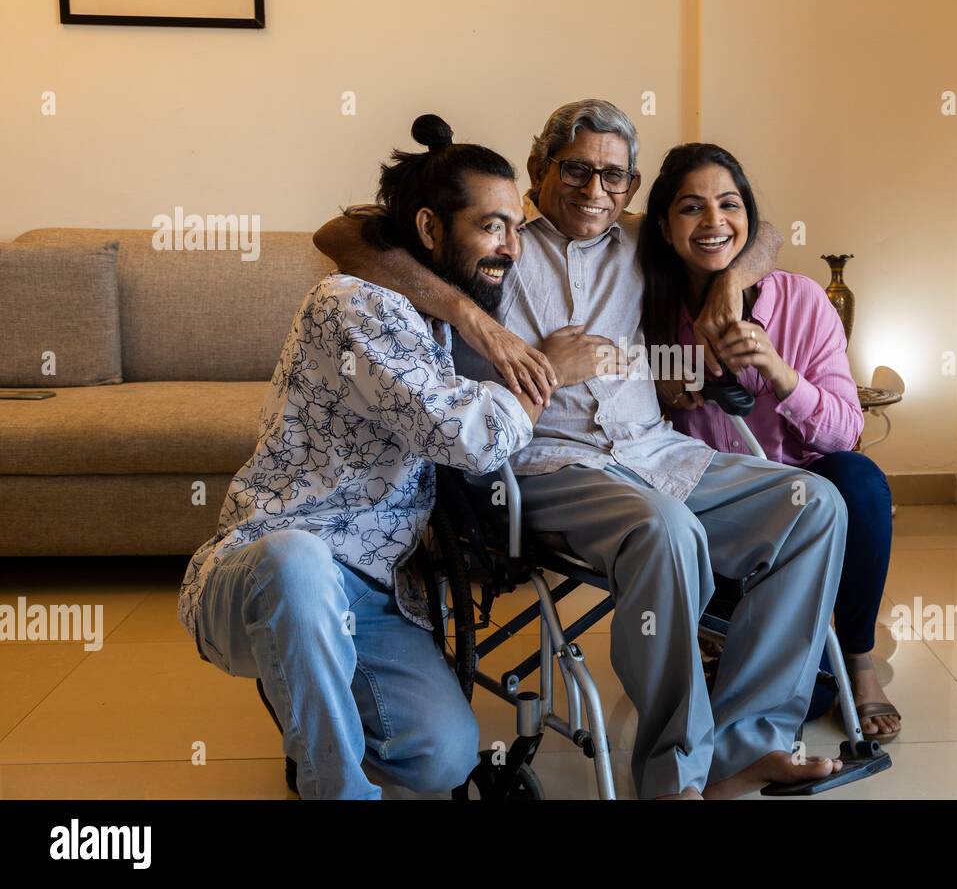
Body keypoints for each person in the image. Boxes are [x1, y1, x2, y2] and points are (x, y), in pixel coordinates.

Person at [314, 100, 853, 799]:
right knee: (665, 529)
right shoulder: (491, 240)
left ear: (631, 189)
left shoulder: (638, 241)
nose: (596, 192)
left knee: (815, 507)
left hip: (654, 452)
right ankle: (675, 776)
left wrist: (729, 283)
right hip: (542, 463)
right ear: (538, 168)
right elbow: (341, 233)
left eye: (614, 177)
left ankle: (746, 743)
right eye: (576, 171)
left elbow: (761, 230)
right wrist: (480, 323)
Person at [179, 115, 563, 799]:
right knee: (298, 564)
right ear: (428, 230)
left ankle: (310, 694)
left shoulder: (443, 317)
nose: (511, 245)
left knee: (441, 760)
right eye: (491, 225)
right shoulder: (351, 302)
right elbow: (469, 440)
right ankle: (334, 782)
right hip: (265, 564)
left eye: (517, 226)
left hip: (376, 587)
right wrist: (549, 372)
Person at [640, 142, 901, 739]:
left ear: (749, 220)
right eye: (690, 209)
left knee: (860, 483)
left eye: (729, 205)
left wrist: (782, 374)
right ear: (663, 225)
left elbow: (846, 430)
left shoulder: (804, 301)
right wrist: (665, 385)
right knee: (802, 702)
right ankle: (742, 645)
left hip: (806, 494)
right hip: (712, 500)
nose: (713, 223)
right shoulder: (646, 303)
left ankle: (858, 658)